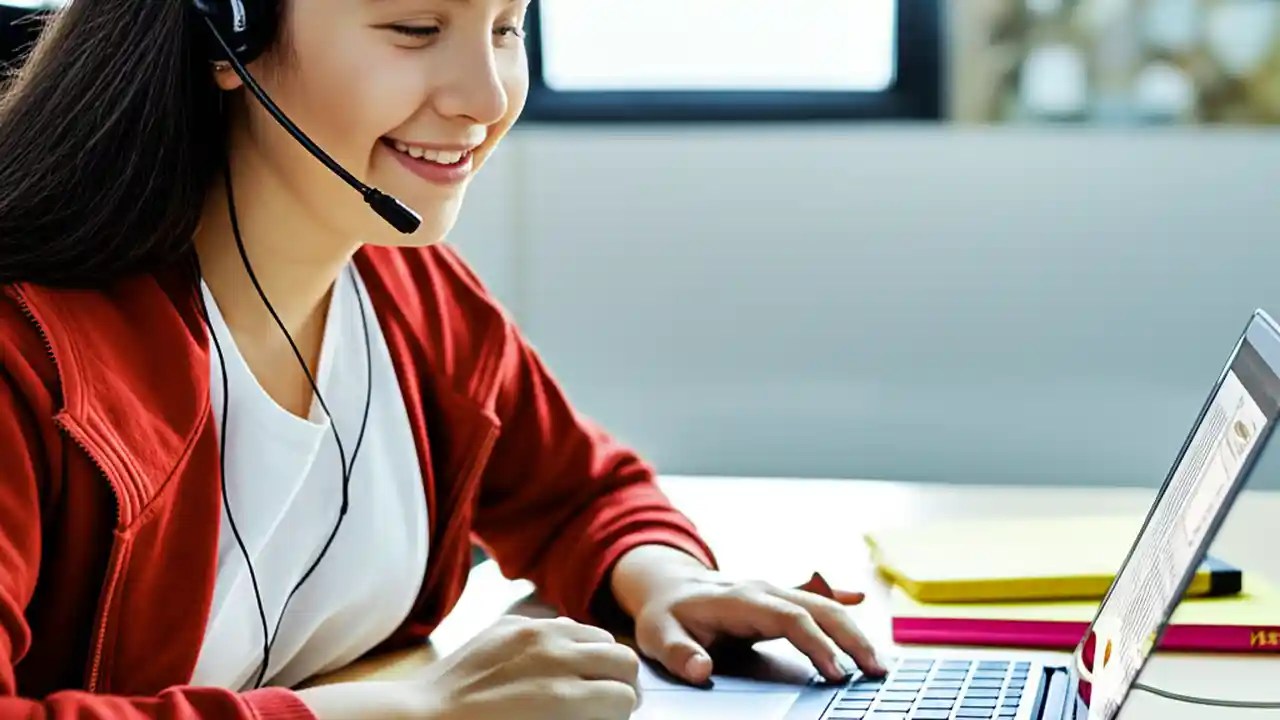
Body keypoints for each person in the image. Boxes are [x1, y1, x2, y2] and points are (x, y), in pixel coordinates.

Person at [0, 1, 884, 718]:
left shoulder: (413, 298)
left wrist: (666, 582)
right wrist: (411, 709)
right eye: (416, 29)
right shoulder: (27, 352)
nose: (486, 98)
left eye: (506, 27)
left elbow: (579, 493)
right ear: (228, 33)